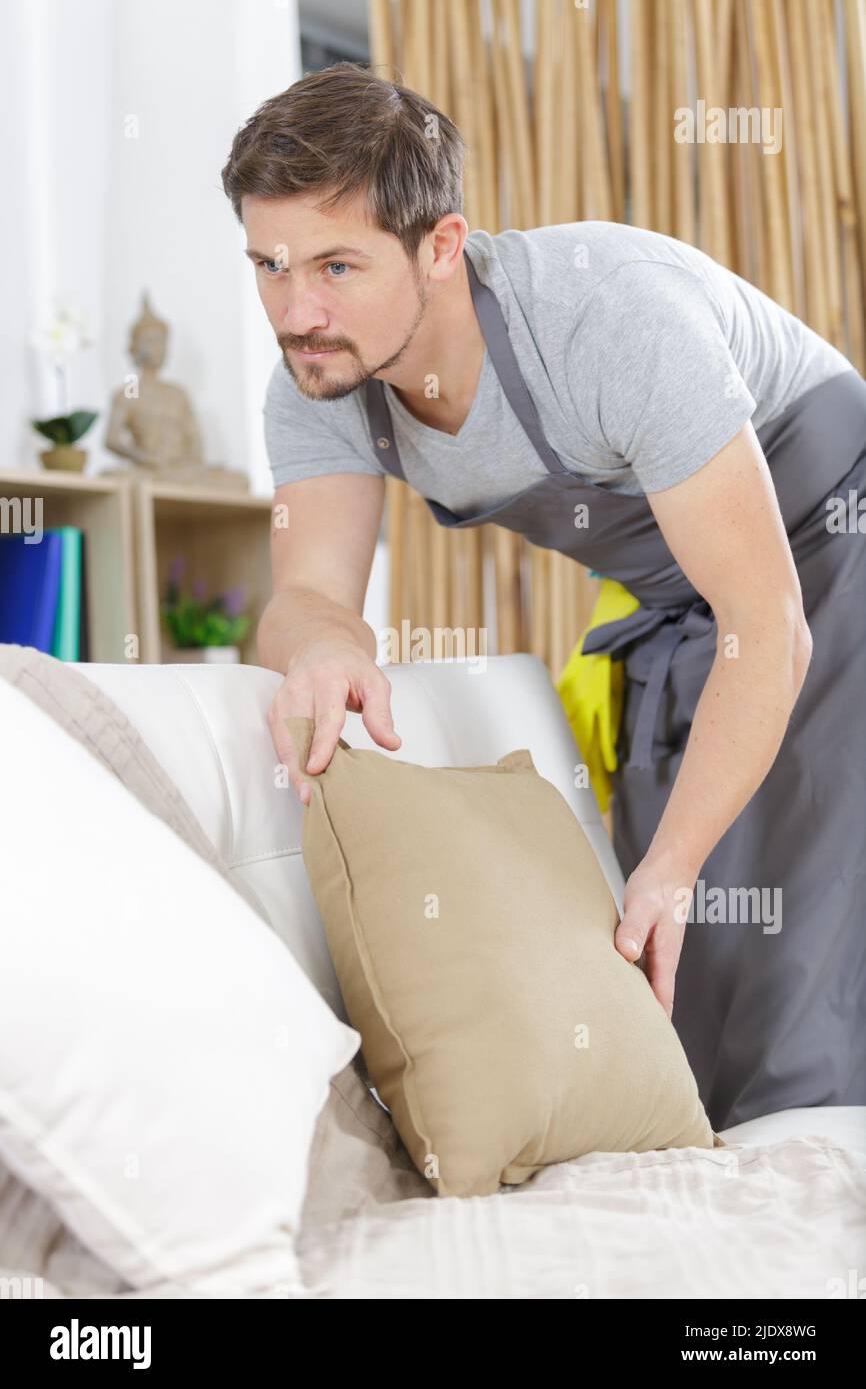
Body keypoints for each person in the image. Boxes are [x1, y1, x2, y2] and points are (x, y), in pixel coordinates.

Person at [220, 63, 866, 1131]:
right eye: (270, 265)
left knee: (788, 951)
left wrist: (672, 866)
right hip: (693, 599)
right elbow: (305, 595)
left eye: (336, 264)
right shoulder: (320, 382)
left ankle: (816, 1244)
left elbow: (765, 619)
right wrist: (324, 647)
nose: (298, 311)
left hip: (830, 545)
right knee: (675, 972)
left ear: (439, 245)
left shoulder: (607, 321)